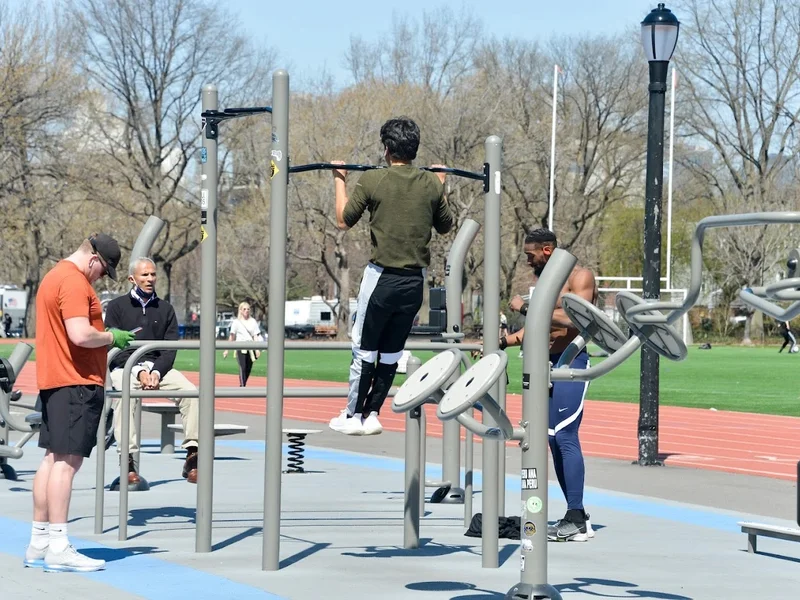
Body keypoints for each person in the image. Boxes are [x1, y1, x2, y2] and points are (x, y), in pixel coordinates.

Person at [327, 116, 454, 436]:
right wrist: (441, 185)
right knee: (392, 352)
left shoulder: (373, 180)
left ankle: (354, 414)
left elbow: (343, 221)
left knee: (364, 347)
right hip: (415, 283)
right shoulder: (429, 183)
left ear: (386, 149)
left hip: (382, 278)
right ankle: (372, 413)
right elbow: (445, 225)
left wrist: (339, 179)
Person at [25, 233, 133, 572]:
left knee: (51, 460)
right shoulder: (73, 282)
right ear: (94, 259)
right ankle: (58, 544)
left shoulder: (52, 276)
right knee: (66, 464)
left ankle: (40, 540)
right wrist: (112, 337)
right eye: (102, 272)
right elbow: (80, 334)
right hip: (76, 382)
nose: (100, 279)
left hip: (56, 380)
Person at [503, 228, 597, 542]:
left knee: (565, 435)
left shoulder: (580, 276)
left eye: (530, 256)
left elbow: (576, 320)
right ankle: (575, 514)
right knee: (551, 438)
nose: (528, 262)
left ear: (546, 250)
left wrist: (529, 307)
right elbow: (538, 328)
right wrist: (503, 341)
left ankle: (577, 516)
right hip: (545, 365)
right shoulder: (546, 283)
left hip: (571, 363)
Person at [104, 257, 200, 484]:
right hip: (125, 366)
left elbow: (169, 349)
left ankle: (192, 456)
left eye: (153, 274)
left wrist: (155, 372)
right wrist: (139, 372)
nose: (149, 279)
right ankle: (127, 462)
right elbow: (116, 345)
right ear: (132, 278)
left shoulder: (165, 309)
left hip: (159, 368)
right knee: (125, 396)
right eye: (144, 275)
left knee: (191, 392)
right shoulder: (117, 307)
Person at [223, 302, 265, 387]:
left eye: (248, 309)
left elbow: (255, 336)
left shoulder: (253, 321)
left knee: (248, 368)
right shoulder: (236, 322)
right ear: (241, 311)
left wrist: (257, 349)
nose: (246, 311)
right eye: (244, 309)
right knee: (243, 366)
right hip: (240, 346)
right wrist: (226, 350)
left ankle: (243, 383)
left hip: (251, 347)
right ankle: (242, 385)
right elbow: (232, 336)